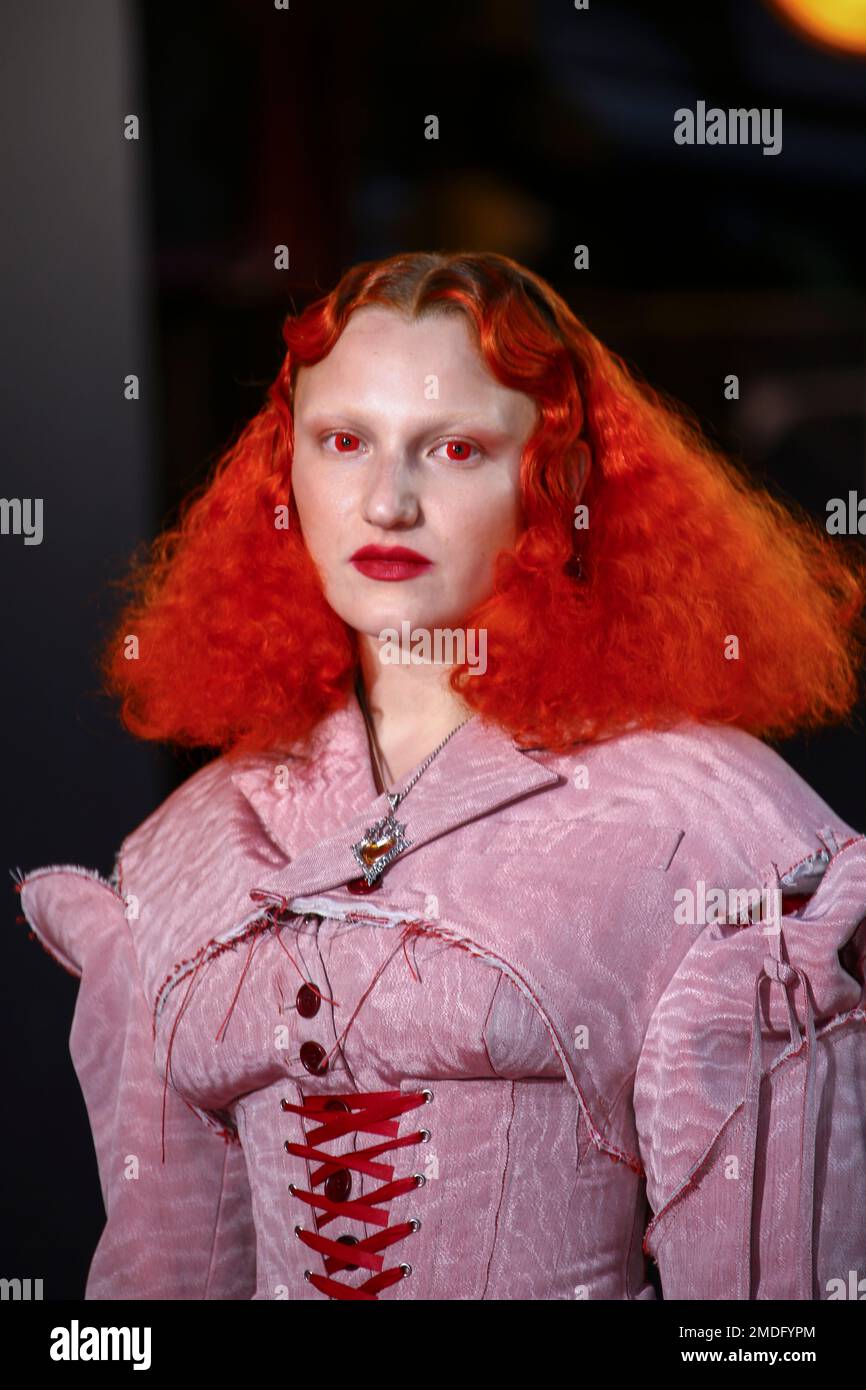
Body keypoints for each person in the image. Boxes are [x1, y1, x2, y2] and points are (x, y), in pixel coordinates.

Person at [14, 250, 866, 1301]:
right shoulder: (187, 846)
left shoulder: (700, 825)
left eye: (453, 447)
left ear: (553, 485)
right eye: (341, 442)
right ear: (286, 473)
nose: (385, 501)